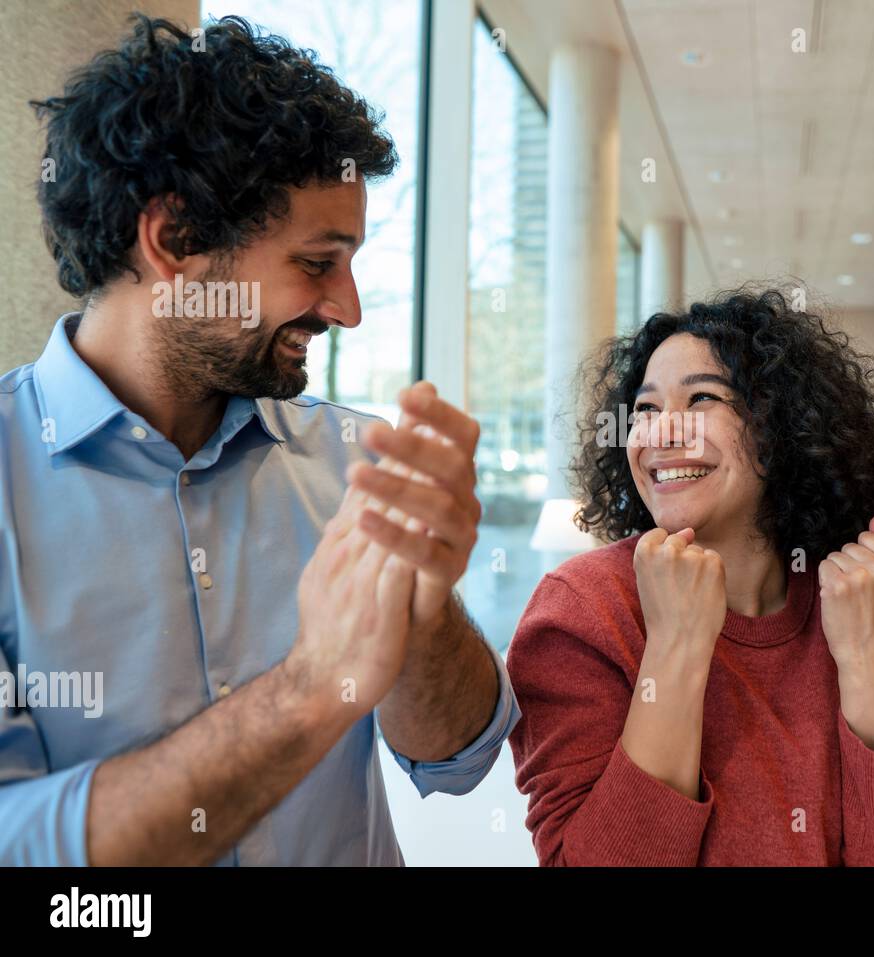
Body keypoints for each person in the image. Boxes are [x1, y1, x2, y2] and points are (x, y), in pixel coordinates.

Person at [0, 15, 519, 865]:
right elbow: (20, 843)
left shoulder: (360, 464)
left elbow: (455, 755)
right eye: (318, 263)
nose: (347, 309)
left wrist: (424, 609)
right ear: (173, 240)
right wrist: (311, 687)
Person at [506, 288, 874, 866]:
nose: (660, 433)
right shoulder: (581, 613)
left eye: (701, 398)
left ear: (781, 430)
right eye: (646, 409)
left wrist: (866, 657)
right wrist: (675, 649)